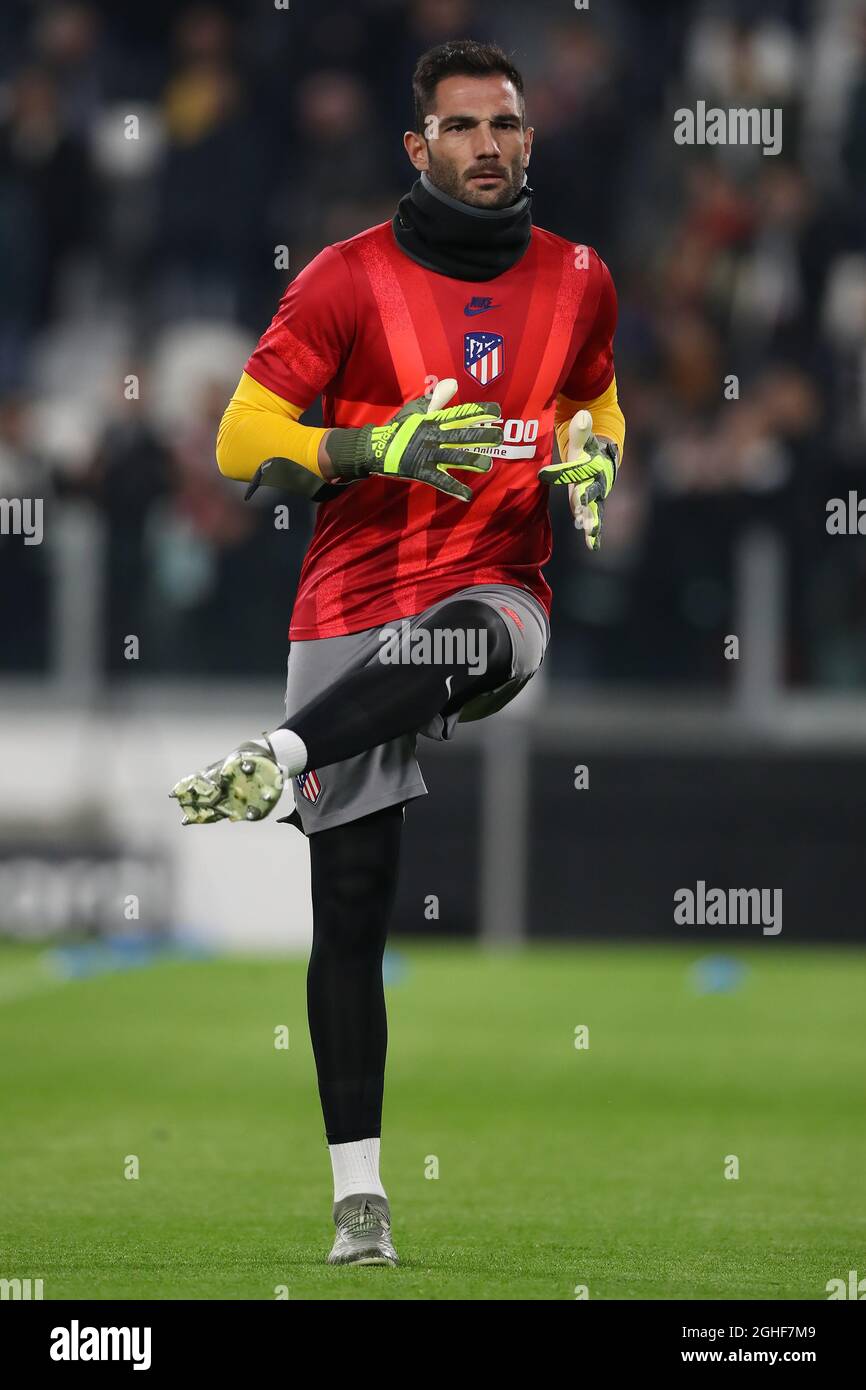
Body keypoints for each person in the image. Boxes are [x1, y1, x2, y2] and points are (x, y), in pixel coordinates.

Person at [170, 38, 625, 1267]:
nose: (490, 146)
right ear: (416, 147)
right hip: (352, 602)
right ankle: (358, 1199)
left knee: (483, 642)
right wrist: (374, 451)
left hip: (495, 581)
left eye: (507, 125)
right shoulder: (343, 278)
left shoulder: (580, 276)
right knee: (354, 904)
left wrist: (595, 453)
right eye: (465, 127)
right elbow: (238, 434)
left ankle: (278, 753)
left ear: (529, 138)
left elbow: (595, 398)